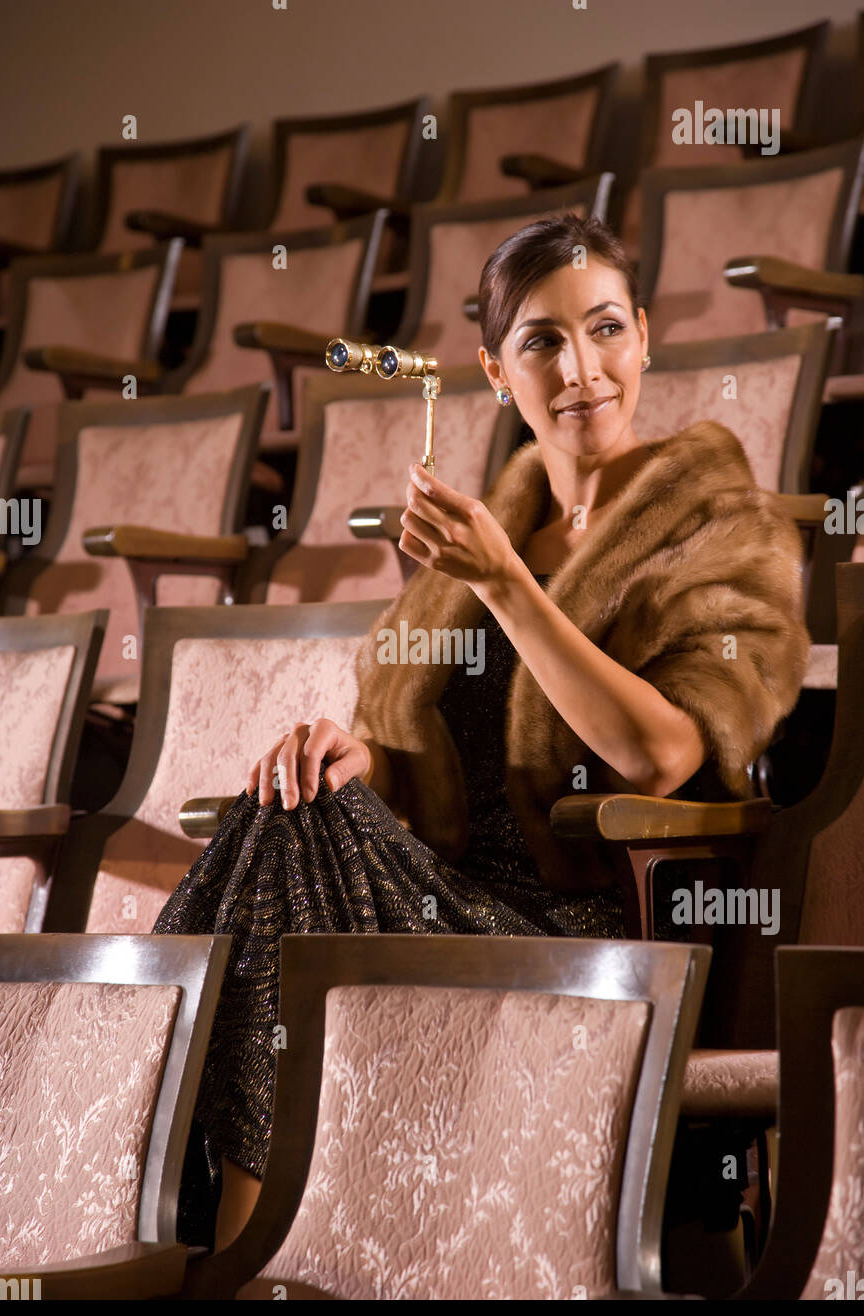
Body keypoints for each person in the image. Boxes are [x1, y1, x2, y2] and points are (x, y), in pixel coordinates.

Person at [152, 212, 810, 1251]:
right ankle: (249, 1245)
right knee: (287, 807)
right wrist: (357, 756)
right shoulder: (488, 531)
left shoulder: (712, 526)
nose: (580, 367)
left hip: (585, 936)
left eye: (602, 330)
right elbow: (435, 751)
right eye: (541, 342)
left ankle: (231, 1246)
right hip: (445, 901)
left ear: (643, 335)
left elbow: (666, 754)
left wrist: (507, 584)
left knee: (279, 850)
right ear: (496, 371)